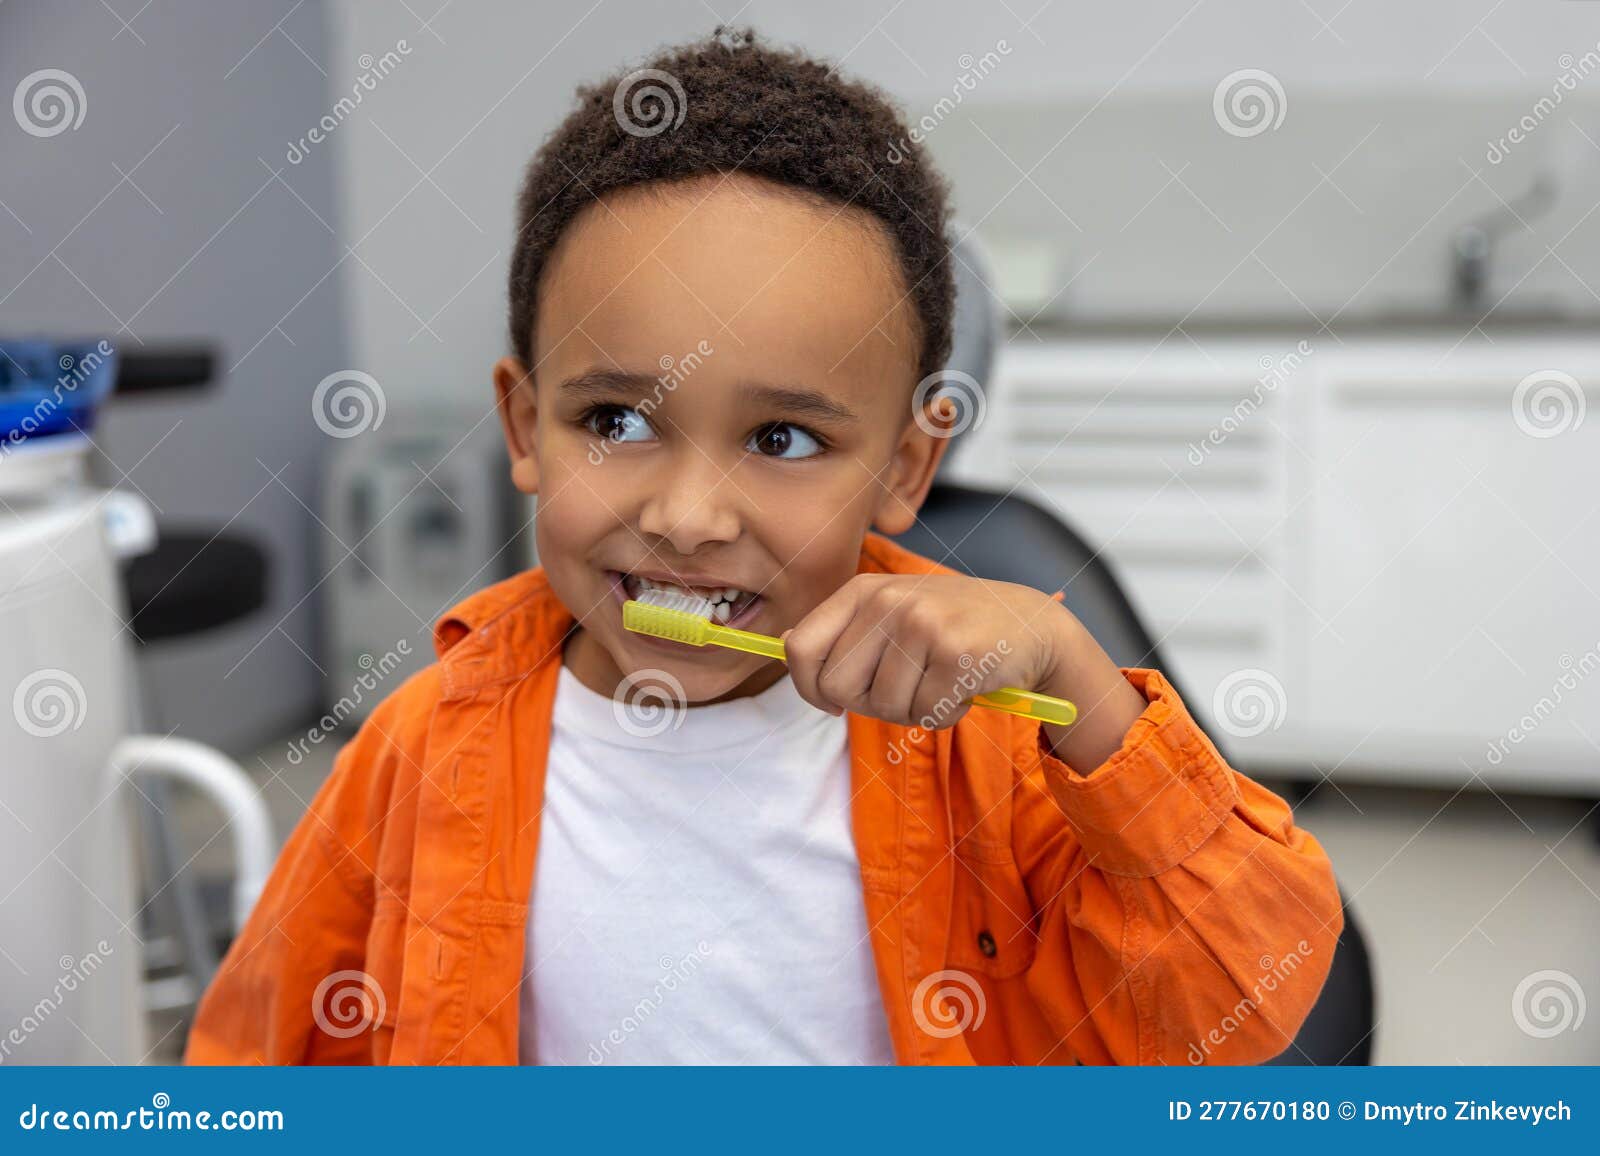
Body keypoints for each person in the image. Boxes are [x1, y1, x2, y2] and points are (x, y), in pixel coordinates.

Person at [186, 26, 1342, 1066]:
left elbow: (1234, 1007)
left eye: (781, 437)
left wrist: (1076, 681)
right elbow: (265, 1053)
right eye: (616, 421)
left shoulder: (988, 748)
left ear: (902, 469)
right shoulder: (417, 745)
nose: (688, 516)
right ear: (523, 426)